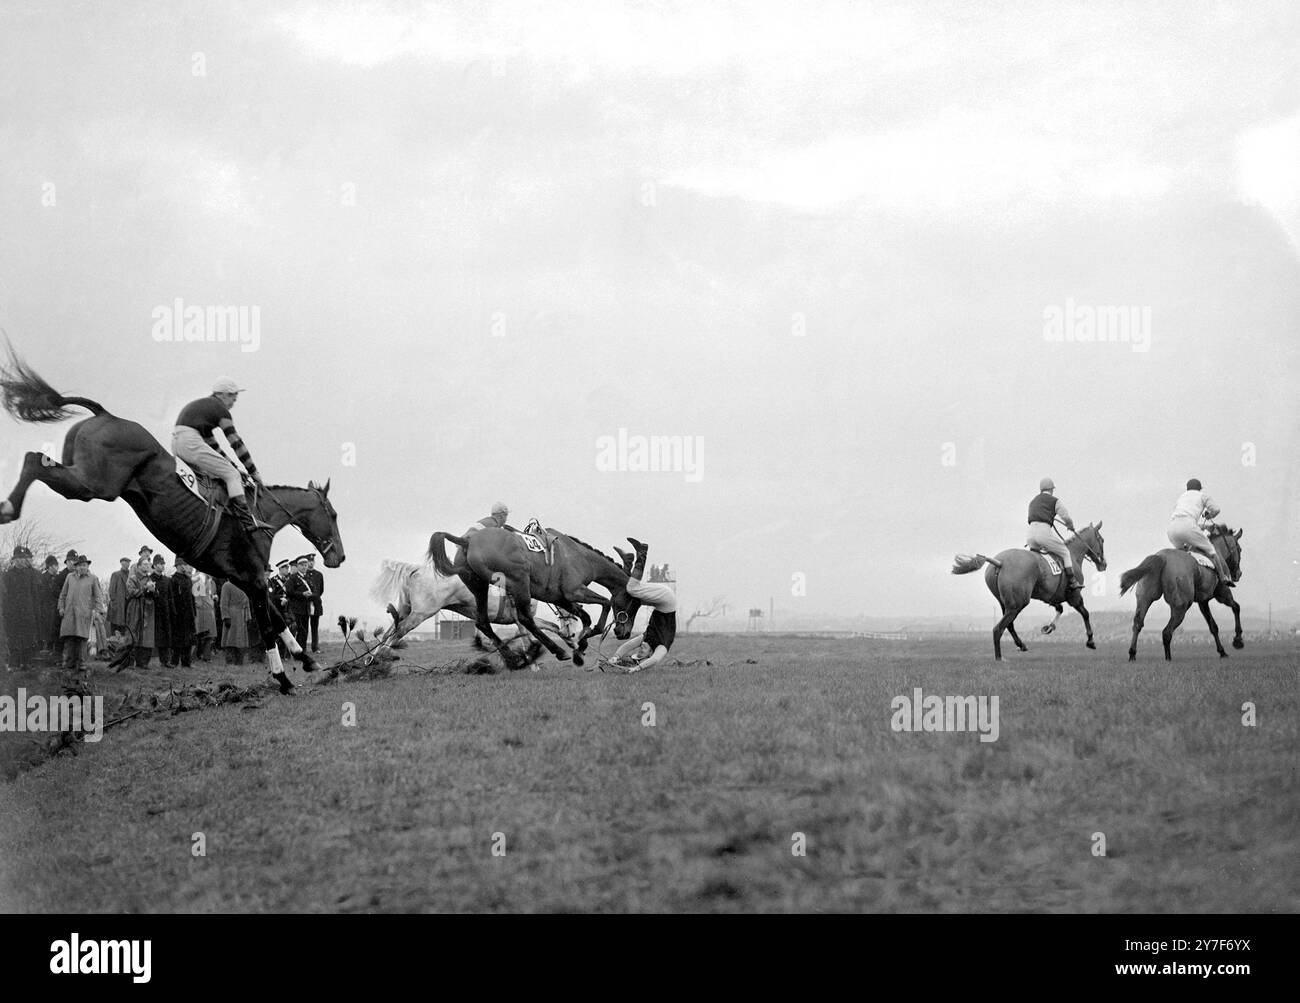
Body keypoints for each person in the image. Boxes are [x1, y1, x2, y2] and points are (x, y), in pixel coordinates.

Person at [172, 378, 272, 538]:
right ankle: (247, 521)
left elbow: (214, 448)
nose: (234, 401)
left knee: (222, 474)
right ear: (224, 395)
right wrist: (253, 472)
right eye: (233, 397)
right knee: (233, 476)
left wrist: (233, 465)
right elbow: (236, 443)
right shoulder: (221, 410)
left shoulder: (205, 408)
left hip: (178, 442)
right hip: (190, 442)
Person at [610, 538, 678, 672]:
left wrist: (615, 658)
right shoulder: (661, 647)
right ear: (649, 654)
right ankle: (642, 553)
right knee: (632, 589)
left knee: (626, 596)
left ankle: (628, 563)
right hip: (666, 600)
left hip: (659, 605)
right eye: (642, 654)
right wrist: (637, 669)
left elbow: (626, 646)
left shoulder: (646, 637)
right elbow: (655, 660)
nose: (640, 650)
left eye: (638, 652)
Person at [1168, 478, 1235, 585]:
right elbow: (1216, 510)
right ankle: (1223, 578)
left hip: (1172, 529)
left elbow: (1182, 520)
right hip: (1188, 527)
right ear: (1199, 489)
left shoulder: (1181, 498)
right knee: (1212, 551)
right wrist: (1209, 515)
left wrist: (1204, 527)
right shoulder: (1202, 495)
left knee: (1183, 554)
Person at [1026, 477, 1081, 593]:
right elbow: (1065, 517)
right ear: (1051, 489)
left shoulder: (1032, 501)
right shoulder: (1054, 501)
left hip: (1030, 535)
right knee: (1065, 552)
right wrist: (1070, 526)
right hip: (1043, 532)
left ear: (1041, 489)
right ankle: (1072, 581)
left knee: (1039, 556)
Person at [57, 555, 103, 673]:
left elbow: (98, 597)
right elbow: (63, 595)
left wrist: (98, 611)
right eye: (80, 565)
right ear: (76, 567)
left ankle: (82, 663)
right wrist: (61, 608)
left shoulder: (93, 579)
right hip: (69, 613)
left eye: (84, 565)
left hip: (84, 614)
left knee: (82, 638)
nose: (82, 567)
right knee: (69, 637)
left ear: (87, 566)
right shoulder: (69, 577)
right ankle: (68, 663)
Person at [3, 546, 44, 670]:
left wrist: (36, 612)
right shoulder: (7, 576)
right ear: (13, 560)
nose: (21, 561)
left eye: (23, 558)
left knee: (28, 638)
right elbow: (4, 596)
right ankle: (14, 664)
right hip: (13, 614)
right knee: (14, 638)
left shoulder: (30, 575)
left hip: (28, 612)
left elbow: (34, 595)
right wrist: (6, 612)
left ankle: (27, 663)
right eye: (18, 558)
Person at [125, 556, 157, 667]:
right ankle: (129, 662)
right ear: (138, 566)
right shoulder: (133, 578)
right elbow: (131, 592)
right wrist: (145, 589)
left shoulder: (150, 579)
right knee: (133, 633)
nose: (147, 566)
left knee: (146, 635)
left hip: (147, 609)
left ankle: (143, 663)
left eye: (148, 564)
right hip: (135, 608)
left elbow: (155, 595)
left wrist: (153, 590)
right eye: (144, 564)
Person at [170, 557, 196, 667]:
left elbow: (191, 597)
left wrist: (193, 611)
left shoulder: (188, 579)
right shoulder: (173, 580)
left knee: (189, 638)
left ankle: (186, 662)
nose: (187, 567)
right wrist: (174, 613)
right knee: (178, 639)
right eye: (185, 565)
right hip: (178, 614)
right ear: (179, 566)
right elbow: (172, 598)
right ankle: (174, 662)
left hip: (188, 613)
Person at [150, 555, 175, 667]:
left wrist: (172, 611)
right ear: (154, 565)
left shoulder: (167, 580)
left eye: (163, 563)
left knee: (166, 636)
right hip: (153, 611)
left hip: (165, 611)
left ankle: (165, 661)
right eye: (160, 563)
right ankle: (146, 660)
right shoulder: (150, 579)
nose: (163, 565)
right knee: (154, 636)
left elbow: (170, 597)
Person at [219, 579, 251, 665]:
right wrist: (225, 616)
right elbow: (223, 602)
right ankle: (230, 661)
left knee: (241, 640)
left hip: (242, 616)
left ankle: (239, 661)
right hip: (232, 615)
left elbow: (247, 602)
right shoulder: (227, 585)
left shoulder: (244, 584)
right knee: (230, 639)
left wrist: (248, 616)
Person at [286, 556, 314, 651]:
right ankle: (296, 651)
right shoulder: (293, 578)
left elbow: (314, 590)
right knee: (298, 630)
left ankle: (303, 650)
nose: (304, 567)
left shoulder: (309, 577)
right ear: (297, 566)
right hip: (296, 609)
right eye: (302, 565)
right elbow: (289, 592)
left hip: (306, 608)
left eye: (305, 565)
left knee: (305, 631)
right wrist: (302, 594)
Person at [193, 571, 217, 661]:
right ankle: (195, 656)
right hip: (201, 611)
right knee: (199, 634)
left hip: (209, 610)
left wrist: (214, 597)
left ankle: (206, 656)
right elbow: (197, 598)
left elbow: (211, 593)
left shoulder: (211, 581)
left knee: (210, 635)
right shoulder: (197, 578)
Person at [305, 553, 324, 653]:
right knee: (304, 627)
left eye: (312, 561)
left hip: (316, 604)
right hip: (305, 604)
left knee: (315, 626)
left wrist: (314, 597)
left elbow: (321, 590)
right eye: (309, 561)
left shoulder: (319, 575)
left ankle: (315, 647)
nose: (311, 563)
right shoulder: (304, 574)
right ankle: (303, 647)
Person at [108, 557, 130, 635]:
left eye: (128, 562)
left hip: (128, 605)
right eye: (125, 562)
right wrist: (115, 604)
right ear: (121, 563)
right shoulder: (116, 574)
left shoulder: (131, 575)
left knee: (126, 630)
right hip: (117, 607)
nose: (127, 564)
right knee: (115, 630)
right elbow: (111, 591)